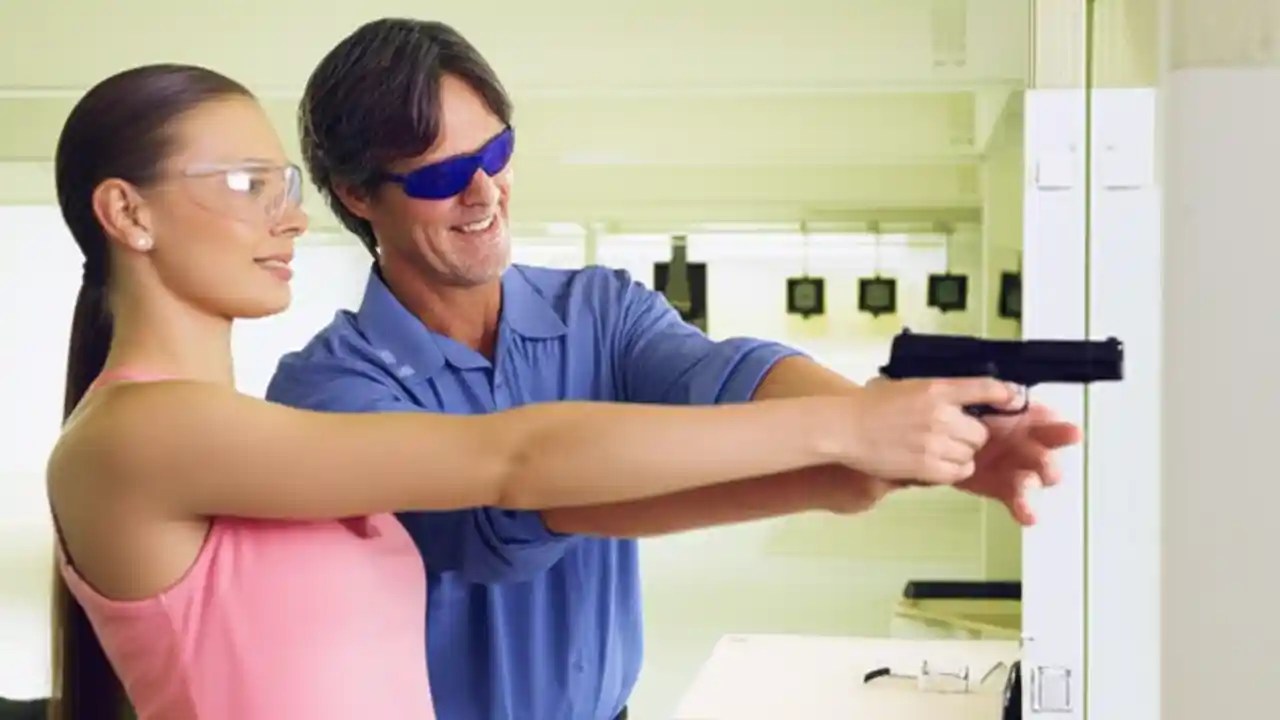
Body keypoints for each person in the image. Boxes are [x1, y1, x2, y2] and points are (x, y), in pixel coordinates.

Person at [43, 63, 1020, 720]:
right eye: (250, 183)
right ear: (126, 211)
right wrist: (847, 423)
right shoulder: (142, 435)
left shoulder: (242, 436)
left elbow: (592, 461)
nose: (290, 219)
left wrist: (836, 474)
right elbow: (510, 466)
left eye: (286, 182)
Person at [267, 17, 1083, 720]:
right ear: (358, 196)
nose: (485, 192)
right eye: (442, 176)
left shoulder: (600, 307)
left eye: (498, 151)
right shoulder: (328, 393)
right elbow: (501, 524)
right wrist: (850, 436)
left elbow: (727, 376)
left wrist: (898, 442)